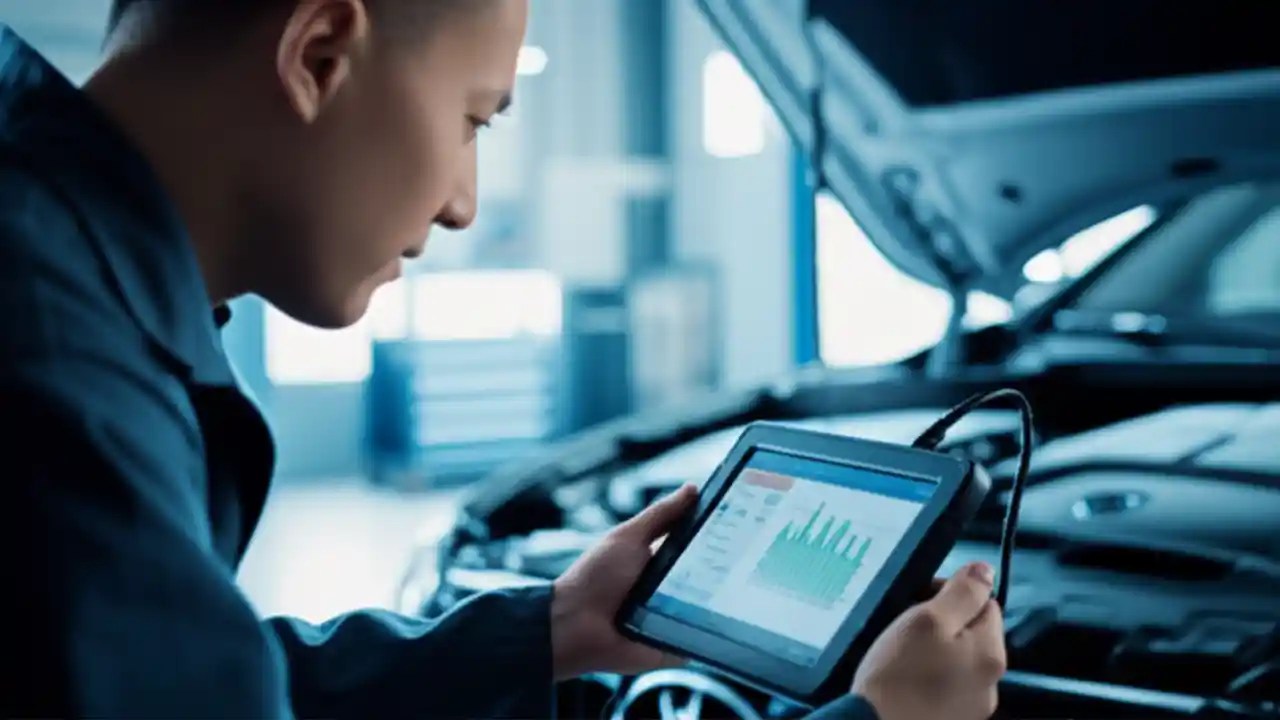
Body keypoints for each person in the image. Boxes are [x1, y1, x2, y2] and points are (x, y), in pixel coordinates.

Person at [0, 0, 1006, 718]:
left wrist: (549, 628)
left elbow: (196, 684)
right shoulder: (57, 371)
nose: (461, 203)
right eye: (473, 119)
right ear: (316, 55)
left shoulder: (48, 256)